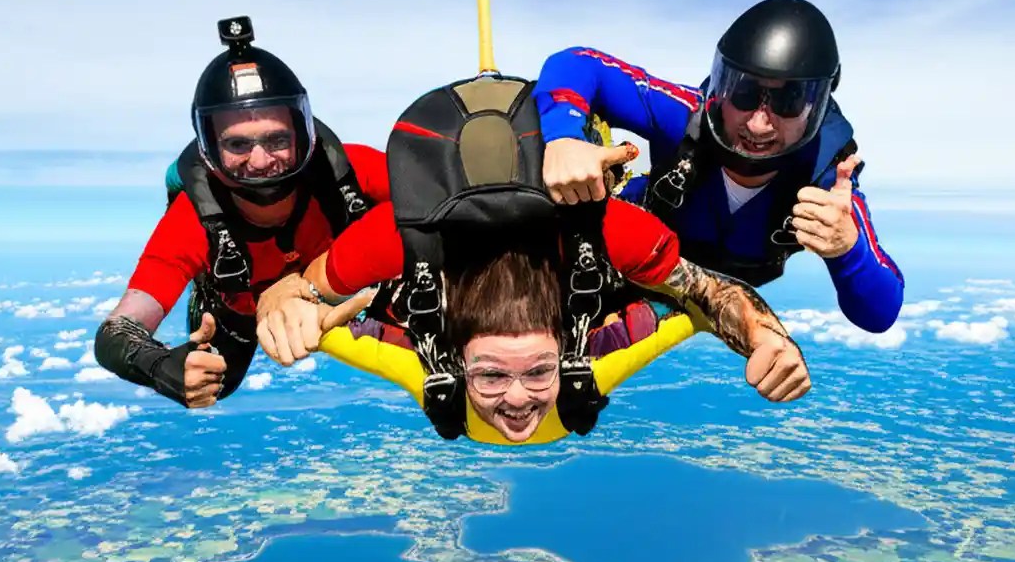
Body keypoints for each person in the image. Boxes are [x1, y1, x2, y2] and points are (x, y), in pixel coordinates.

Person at [254, 72, 811, 445]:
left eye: (539, 372)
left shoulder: (614, 233)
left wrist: (769, 339)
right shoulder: (391, 239)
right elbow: (302, 291)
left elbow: (710, 293)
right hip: (419, 267)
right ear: (449, 353)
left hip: (580, 238)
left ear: (571, 344)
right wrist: (287, 307)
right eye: (492, 375)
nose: (518, 401)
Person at [535, 0, 904, 333]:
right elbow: (578, 63)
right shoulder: (686, 117)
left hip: (706, 287)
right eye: (744, 93)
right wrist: (564, 135)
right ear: (722, 87)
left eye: (788, 101)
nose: (759, 123)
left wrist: (847, 249)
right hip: (638, 255)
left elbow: (879, 313)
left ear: (816, 107)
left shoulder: (826, 180)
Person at [93, 16, 389, 407]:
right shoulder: (194, 218)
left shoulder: (347, 171)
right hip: (240, 311)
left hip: (339, 292)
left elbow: (441, 199)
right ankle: (207, 303)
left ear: (302, 134)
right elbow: (118, 329)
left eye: (277, 139)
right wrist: (161, 366)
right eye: (237, 145)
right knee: (215, 382)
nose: (261, 161)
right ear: (208, 148)